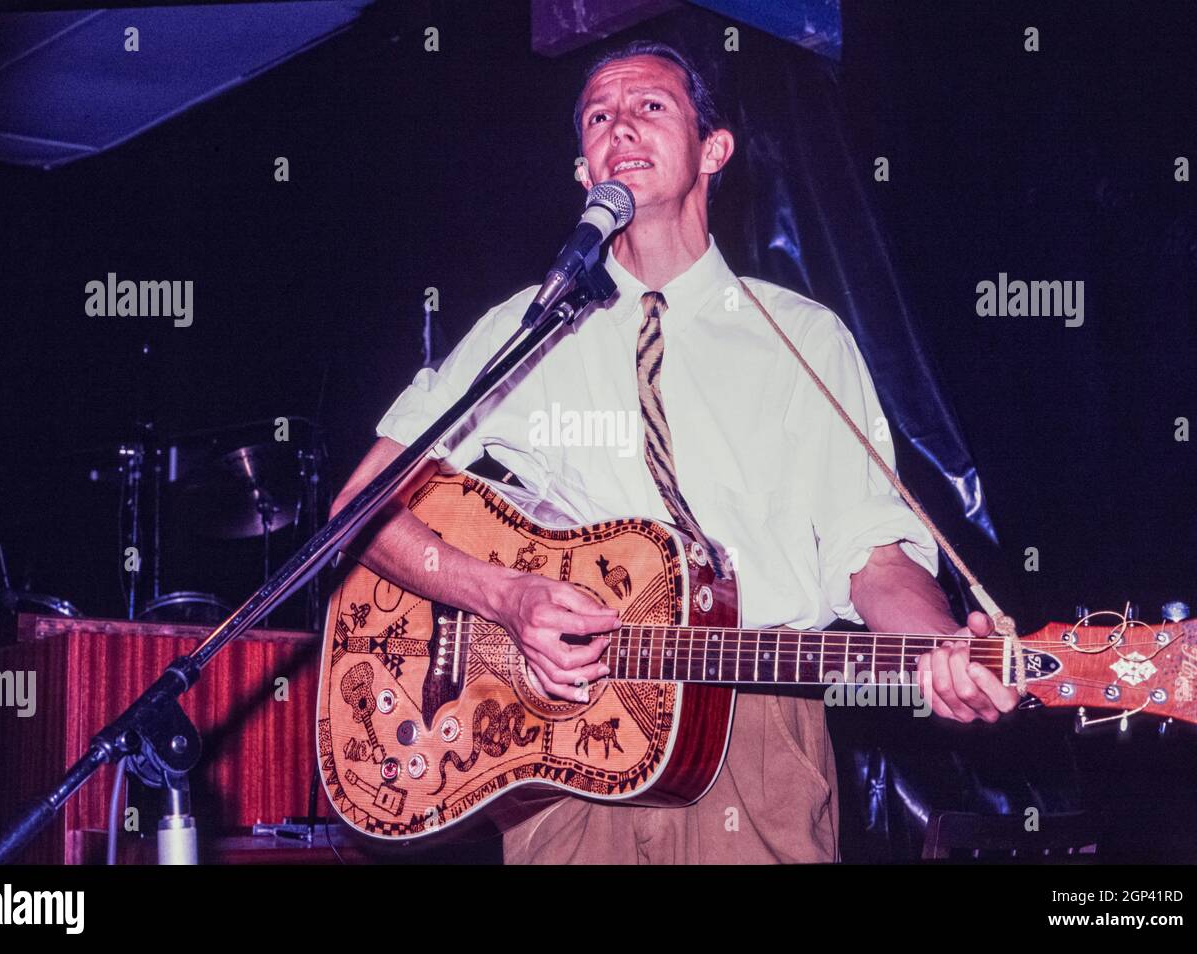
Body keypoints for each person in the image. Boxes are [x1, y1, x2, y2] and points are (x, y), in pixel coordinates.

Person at [331, 41, 1018, 864]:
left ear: (714, 149)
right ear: (584, 172)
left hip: (753, 736)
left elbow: (870, 554)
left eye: (650, 107)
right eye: (597, 117)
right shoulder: (530, 328)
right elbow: (356, 512)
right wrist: (505, 596)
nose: (619, 126)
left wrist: (937, 648)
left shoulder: (802, 339)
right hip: (561, 743)